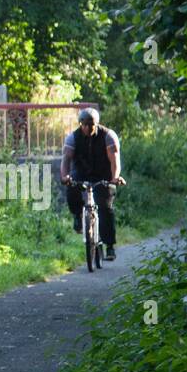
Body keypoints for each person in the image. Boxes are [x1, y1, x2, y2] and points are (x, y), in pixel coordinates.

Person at [60, 107, 126, 260]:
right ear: (80, 124)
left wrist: (114, 178)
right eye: (85, 124)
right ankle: (77, 215)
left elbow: (114, 161)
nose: (88, 128)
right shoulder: (72, 138)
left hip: (103, 174)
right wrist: (65, 177)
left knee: (105, 206)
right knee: (71, 188)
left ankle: (109, 246)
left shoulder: (108, 136)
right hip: (81, 172)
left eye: (91, 125)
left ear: (97, 124)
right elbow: (66, 160)